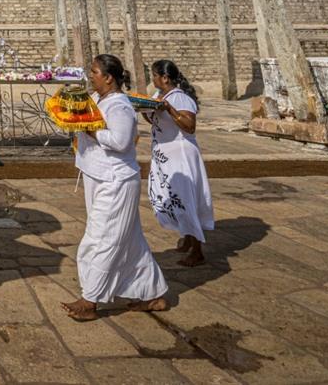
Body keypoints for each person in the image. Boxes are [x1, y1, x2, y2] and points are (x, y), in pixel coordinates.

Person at [61, 53, 168, 320]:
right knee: (130, 241)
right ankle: (152, 294)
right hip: (97, 174)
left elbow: (122, 141)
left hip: (116, 181)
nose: (90, 77)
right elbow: (84, 120)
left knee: (101, 238)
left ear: (108, 78)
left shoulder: (119, 106)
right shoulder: (98, 99)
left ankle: (90, 299)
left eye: (94, 73)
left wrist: (90, 130)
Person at [145, 59, 214, 266]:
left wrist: (170, 110)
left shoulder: (180, 99)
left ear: (165, 78)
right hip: (165, 155)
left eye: (155, 75)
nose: (153, 79)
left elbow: (189, 126)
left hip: (180, 155)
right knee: (171, 197)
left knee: (184, 199)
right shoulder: (159, 96)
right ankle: (187, 237)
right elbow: (155, 121)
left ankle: (197, 249)